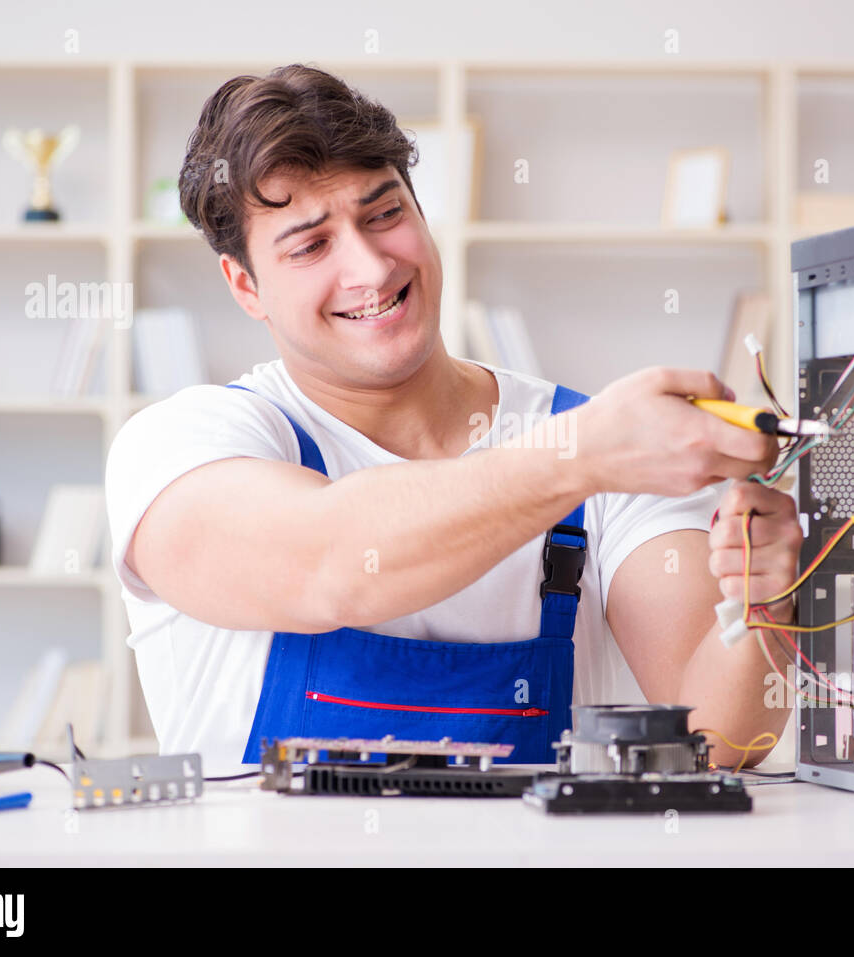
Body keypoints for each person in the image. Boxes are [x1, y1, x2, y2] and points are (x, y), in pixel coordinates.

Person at [105, 64, 803, 775]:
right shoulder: (183, 446)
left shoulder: (605, 448)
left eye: (384, 214)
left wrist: (763, 603)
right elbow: (334, 564)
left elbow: (715, 737)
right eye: (311, 245)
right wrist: (579, 457)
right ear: (246, 285)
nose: (372, 268)